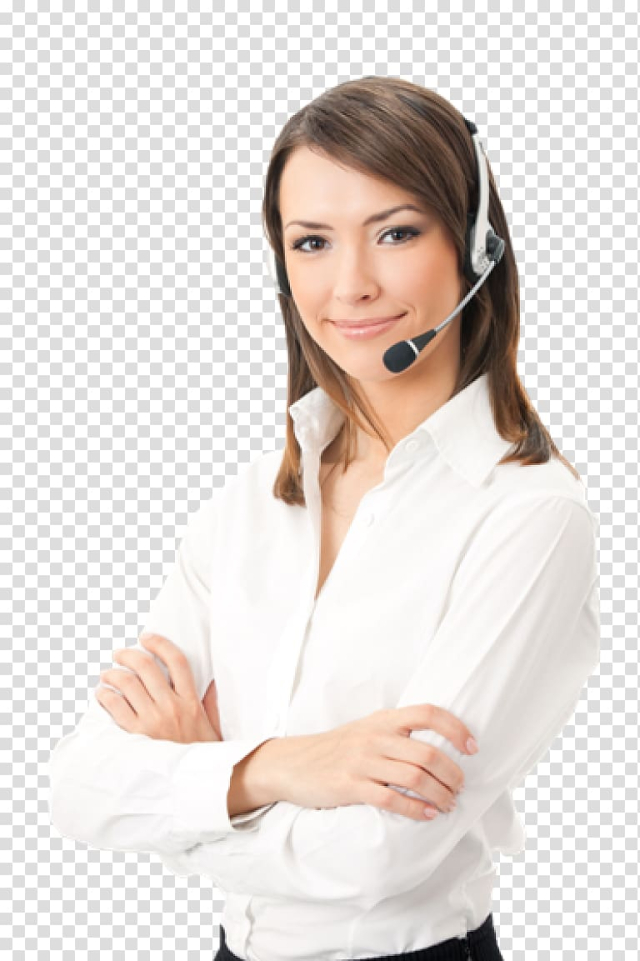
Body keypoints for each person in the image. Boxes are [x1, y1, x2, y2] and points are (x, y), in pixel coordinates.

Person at [48, 77, 600, 961]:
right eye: (311, 242)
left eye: (397, 231)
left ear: (476, 246)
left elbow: (382, 852)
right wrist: (279, 766)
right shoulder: (250, 505)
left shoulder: (529, 517)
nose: (350, 285)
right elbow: (79, 787)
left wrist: (197, 781)